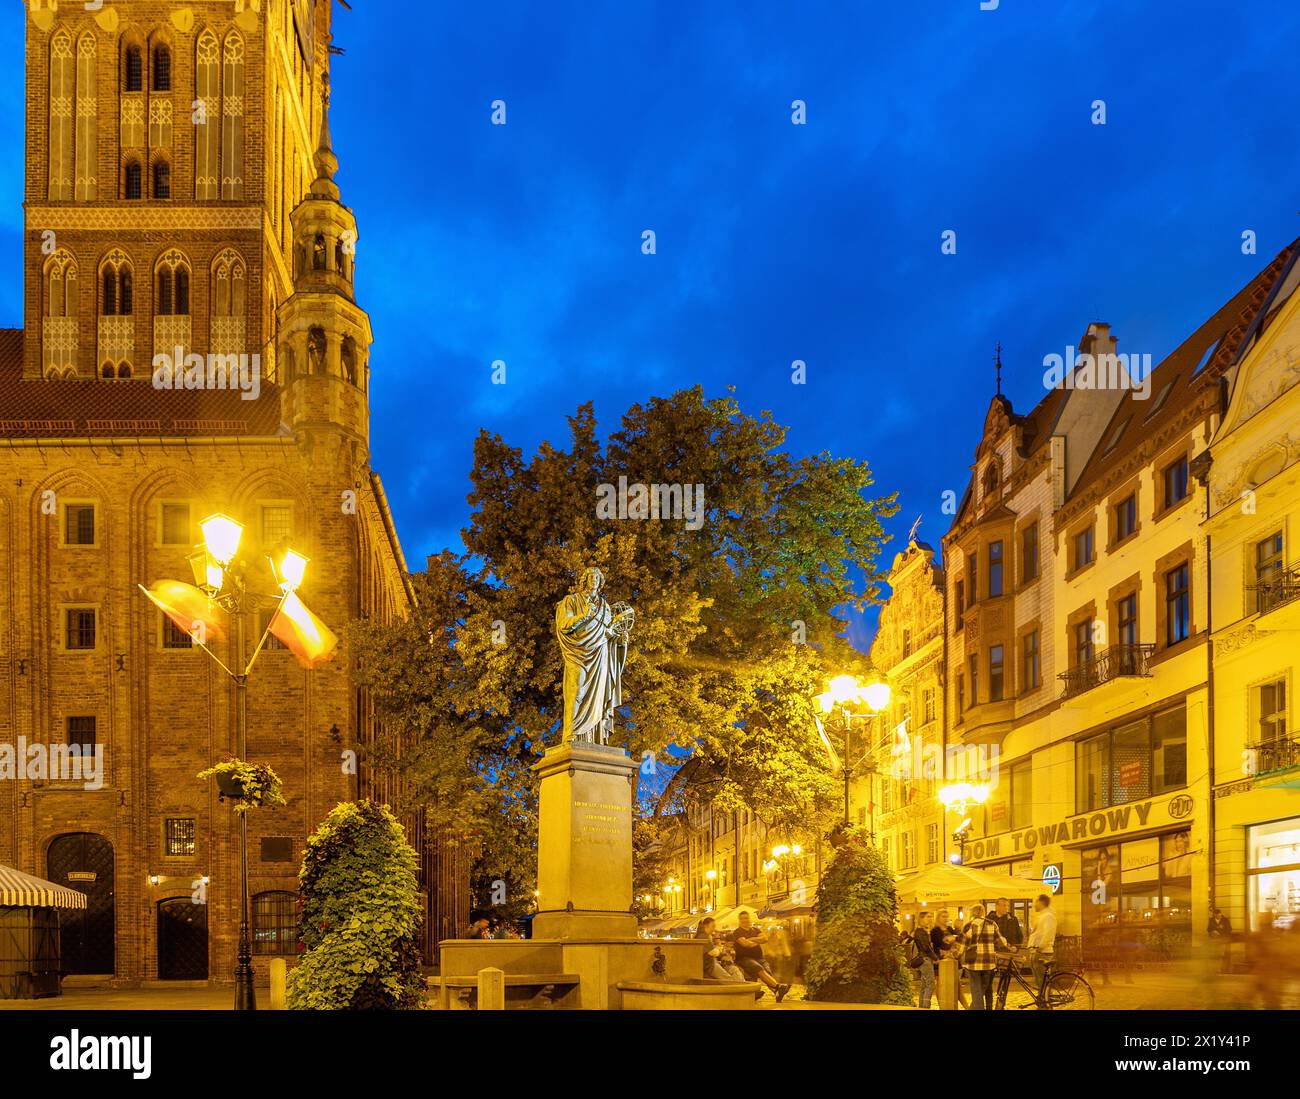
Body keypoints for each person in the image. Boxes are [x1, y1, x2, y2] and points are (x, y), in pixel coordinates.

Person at [729, 910, 790, 1002]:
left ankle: (777, 992)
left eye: (746, 918)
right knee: (757, 967)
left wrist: (751, 939)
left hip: (759, 958)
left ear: (749, 919)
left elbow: (765, 938)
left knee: (767, 970)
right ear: (739, 920)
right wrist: (758, 941)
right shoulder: (737, 932)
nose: (744, 920)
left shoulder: (756, 930)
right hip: (744, 958)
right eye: (742, 918)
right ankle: (778, 987)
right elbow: (745, 944)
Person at [960, 903, 1010, 1010]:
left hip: (972, 963)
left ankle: (975, 1008)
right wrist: (1009, 946)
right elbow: (1001, 943)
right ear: (983, 912)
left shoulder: (968, 926)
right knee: (986, 988)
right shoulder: (992, 924)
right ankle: (987, 1007)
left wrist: (957, 955)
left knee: (976, 989)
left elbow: (962, 947)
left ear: (972, 913)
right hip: (989, 963)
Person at [697, 917, 745, 982]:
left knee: (735, 971)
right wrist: (719, 948)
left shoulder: (707, 936)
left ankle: (745, 988)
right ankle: (742, 989)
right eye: (713, 926)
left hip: (714, 963)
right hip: (710, 966)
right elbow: (713, 952)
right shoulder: (703, 936)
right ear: (706, 926)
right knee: (729, 979)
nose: (714, 929)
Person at [1025, 893, 1057, 991]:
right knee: (1040, 980)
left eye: (1036, 902)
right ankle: (1043, 1000)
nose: (1034, 904)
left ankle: (1045, 1001)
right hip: (1038, 952)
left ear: (1041, 902)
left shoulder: (1048, 916)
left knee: (1042, 980)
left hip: (1042, 952)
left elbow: (1048, 933)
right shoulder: (1042, 915)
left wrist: (1039, 948)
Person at [913, 911, 941, 1009]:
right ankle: (925, 1006)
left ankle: (922, 1006)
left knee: (924, 985)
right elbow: (926, 948)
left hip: (924, 959)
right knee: (930, 984)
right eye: (928, 917)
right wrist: (935, 958)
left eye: (931, 917)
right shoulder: (920, 932)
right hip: (925, 960)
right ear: (921, 919)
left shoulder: (921, 931)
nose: (930, 919)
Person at [1208, 908, 1233, 974]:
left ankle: (1221, 969)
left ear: (1221, 914)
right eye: (1216, 916)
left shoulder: (1225, 920)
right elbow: (1208, 929)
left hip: (1223, 940)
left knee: (1221, 955)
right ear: (1214, 915)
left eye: (1219, 915)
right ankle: (1216, 968)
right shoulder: (1211, 920)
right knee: (1215, 955)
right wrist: (1213, 932)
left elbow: (1229, 929)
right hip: (1214, 940)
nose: (1218, 917)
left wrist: (1221, 933)